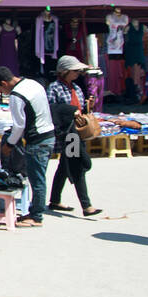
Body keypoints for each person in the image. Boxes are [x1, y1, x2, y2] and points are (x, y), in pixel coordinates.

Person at [0, 65, 55, 228]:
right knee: (39, 177)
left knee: (37, 179)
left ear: (4, 83)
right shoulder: (33, 84)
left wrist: (9, 145)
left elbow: (19, 126)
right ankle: (34, 211)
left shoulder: (16, 96)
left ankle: (37, 216)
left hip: (37, 140)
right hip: (49, 135)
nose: (0, 93)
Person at [45, 56, 101, 216]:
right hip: (67, 133)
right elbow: (52, 109)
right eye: (75, 71)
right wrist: (70, 111)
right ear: (65, 71)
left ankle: (55, 200)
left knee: (65, 166)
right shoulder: (54, 88)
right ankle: (87, 206)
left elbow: (81, 108)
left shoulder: (75, 87)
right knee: (78, 166)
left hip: (76, 133)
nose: (77, 73)